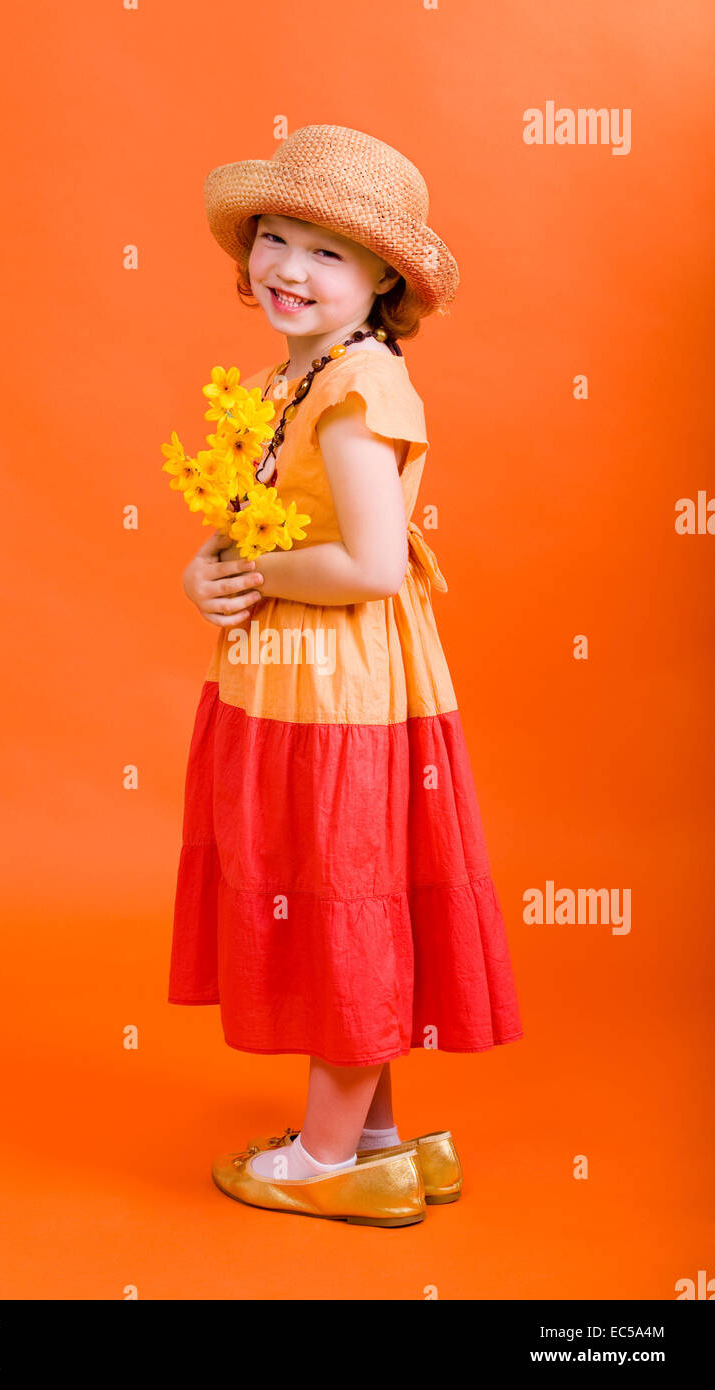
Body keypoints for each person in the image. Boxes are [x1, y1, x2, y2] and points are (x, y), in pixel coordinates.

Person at [168, 125, 523, 1227]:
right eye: (275, 238)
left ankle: (323, 1162)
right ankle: (374, 1141)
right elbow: (264, 524)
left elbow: (368, 562)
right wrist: (208, 569)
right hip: (295, 678)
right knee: (342, 887)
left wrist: (262, 570)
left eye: (327, 251)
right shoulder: (303, 374)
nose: (287, 267)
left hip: (337, 694)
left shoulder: (360, 380)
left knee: (341, 892)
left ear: (383, 279)